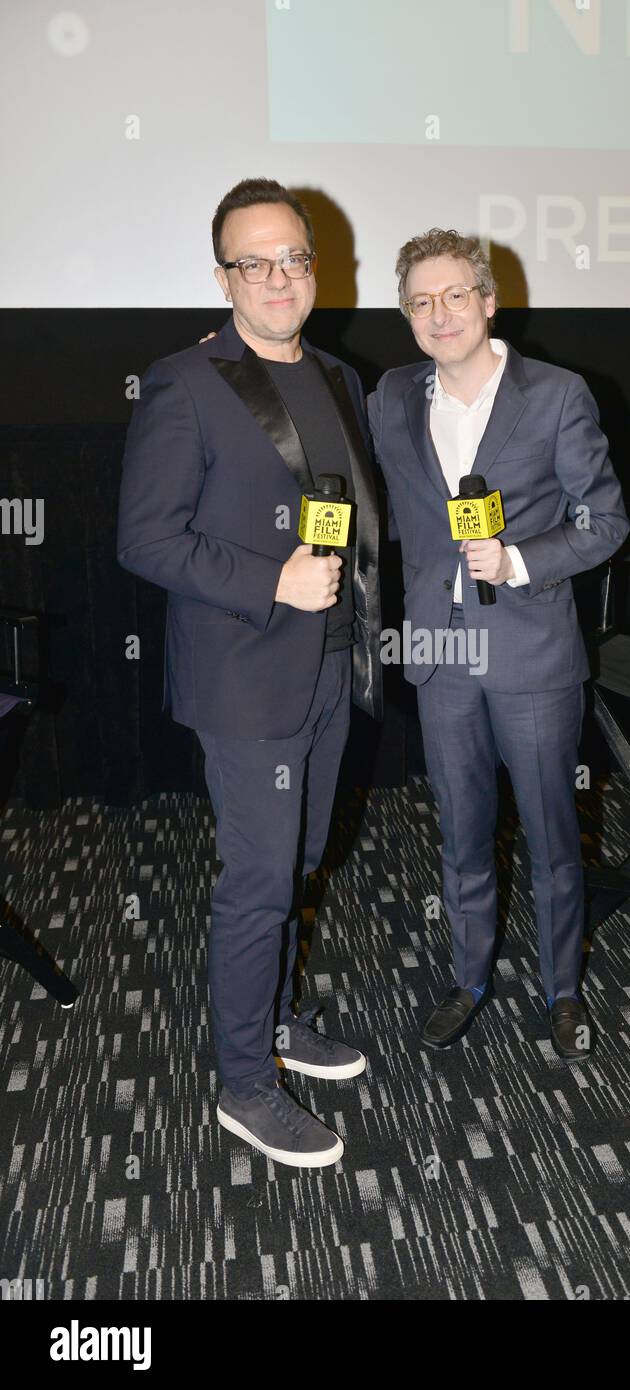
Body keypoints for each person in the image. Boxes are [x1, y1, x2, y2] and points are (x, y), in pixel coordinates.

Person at [117, 179, 382, 1167]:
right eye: (253, 262)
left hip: (328, 667)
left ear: (316, 268)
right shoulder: (186, 383)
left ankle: (271, 1021)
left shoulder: (339, 378)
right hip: (244, 678)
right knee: (259, 882)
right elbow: (144, 539)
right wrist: (269, 580)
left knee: (303, 858)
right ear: (223, 273)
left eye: (293, 259)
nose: (277, 278)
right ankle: (243, 1083)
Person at [367, 229, 629, 1061]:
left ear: (486, 300)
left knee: (553, 838)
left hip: (530, 656)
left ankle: (561, 991)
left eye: (453, 296)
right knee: (461, 832)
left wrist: (520, 559)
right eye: (419, 301)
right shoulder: (390, 397)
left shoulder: (556, 395)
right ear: (405, 314)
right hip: (440, 656)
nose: (438, 314)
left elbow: (606, 523)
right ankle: (469, 978)